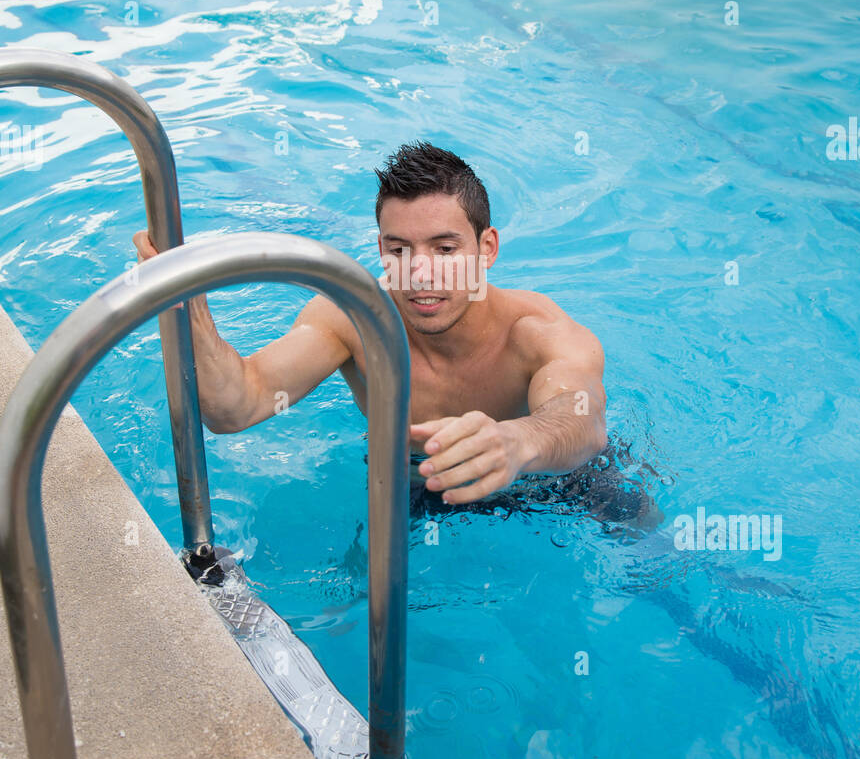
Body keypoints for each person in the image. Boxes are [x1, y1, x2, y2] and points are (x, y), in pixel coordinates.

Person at [134, 141, 637, 514]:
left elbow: (583, 421)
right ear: (380, 250)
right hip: (417, 480)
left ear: (487, 248)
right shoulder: (353, 321)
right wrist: (188, 308)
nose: (419, 272)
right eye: (399, 249)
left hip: (558, 475)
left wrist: (517, 442)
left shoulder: (537, 331)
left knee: (656, 562)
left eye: (444, 249)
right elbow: (235, 407)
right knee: (358, 595)